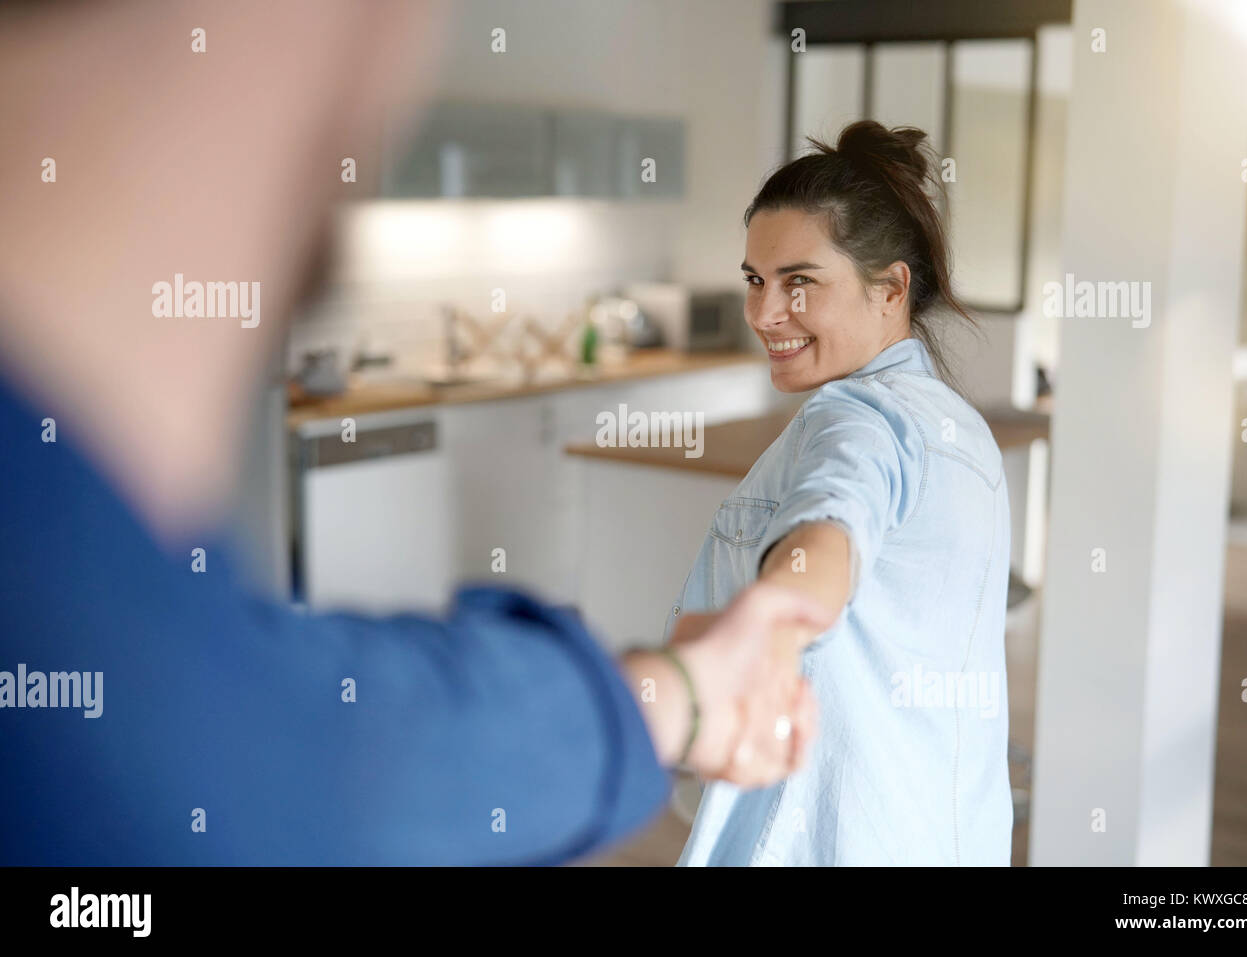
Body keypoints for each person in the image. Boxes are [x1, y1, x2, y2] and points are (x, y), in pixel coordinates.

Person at [0, 0, 831, 866]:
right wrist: (680, 698)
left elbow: (310, 734)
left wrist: (678, 694)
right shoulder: (135, 708)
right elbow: (321, 763)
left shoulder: (141, 651)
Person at [671, 121, 1014, 866]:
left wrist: (773, 625)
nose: (765, 315)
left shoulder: (861, 418)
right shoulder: (957, 425)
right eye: (756, 281)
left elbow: (832, 523)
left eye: (800, 283)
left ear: (890, 287)